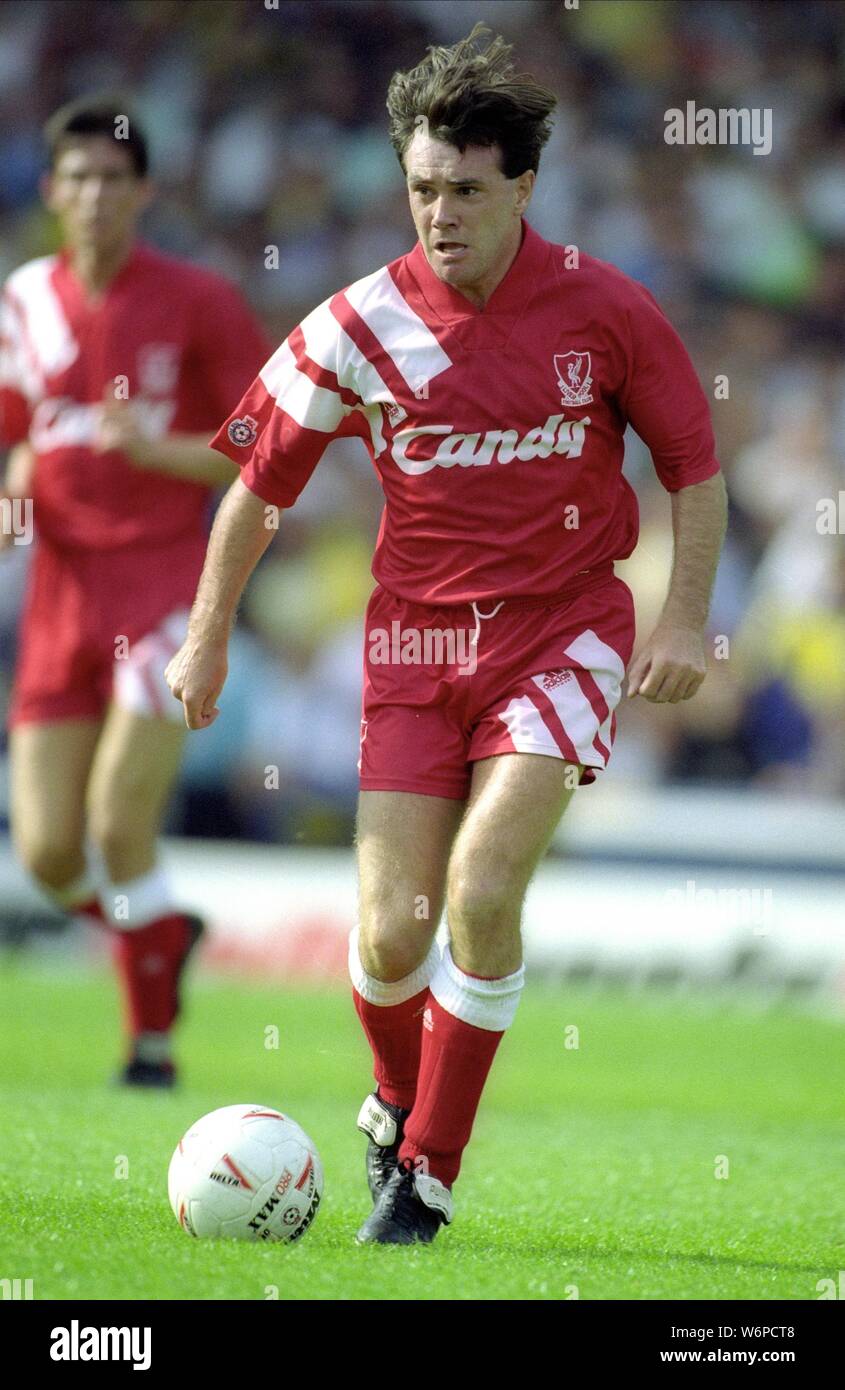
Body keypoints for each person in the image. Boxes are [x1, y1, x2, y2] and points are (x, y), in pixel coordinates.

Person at [166, 25, 727, 1241]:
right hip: (413, 653)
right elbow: (255, 495)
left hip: (562, 631)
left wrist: (682, 615)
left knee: (479, 891)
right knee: (387, 937)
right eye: (422, 189)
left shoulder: (605, 309)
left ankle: (423, 1175)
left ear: (522, 185)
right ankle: (391, 1096)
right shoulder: (351, 326)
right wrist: (207, 637)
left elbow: (692, 464)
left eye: (466, 191)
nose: (439, 213)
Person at [0, 97, 270, 1087]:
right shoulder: (23, 298)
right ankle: (157, 933)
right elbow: (14, 441)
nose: (95, 195)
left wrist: (154, 447)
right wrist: (13, 507)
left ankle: (150, 1045)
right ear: (51, 190)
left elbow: (260, 448)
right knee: (47, 853)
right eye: (77, 177)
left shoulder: (199, 301)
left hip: (161, 591)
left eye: (115, 179)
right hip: (59, 600)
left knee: (120, 823)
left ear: (144, 192)